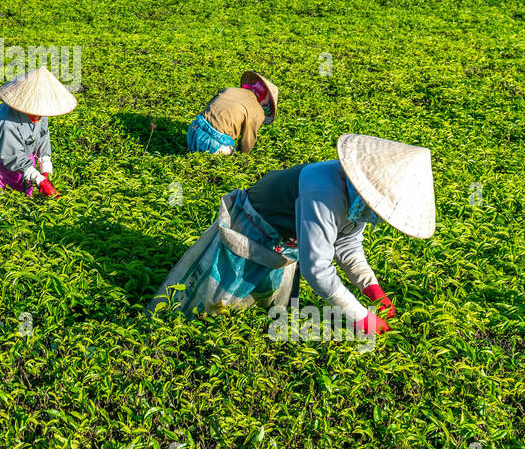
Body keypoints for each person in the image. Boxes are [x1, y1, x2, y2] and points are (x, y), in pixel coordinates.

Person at [152, 134, 434, 335]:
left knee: (261, 303)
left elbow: (347, 245)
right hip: (255, 226)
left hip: (284, 238)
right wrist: (361, 317)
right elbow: (317, 270)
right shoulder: (325, 193)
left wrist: (371, 288)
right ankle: (179, 327)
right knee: (218, 296)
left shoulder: (359, 196)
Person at [0, 66, 76, 198]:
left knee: (22, 195)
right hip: (0, 166)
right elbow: (12, 157)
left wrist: (45, 168)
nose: (39, 116)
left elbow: (42, 136)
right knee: (1, 199)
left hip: (23, 165)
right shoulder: (7, 122)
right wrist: (39, 180)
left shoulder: (41, 110)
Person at [186, 70, 278, 155]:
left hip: (193, 129)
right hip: (213, 144)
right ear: (266, 102)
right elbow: (248, 141)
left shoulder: (230, 89)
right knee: (232, 156)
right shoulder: (257, 111)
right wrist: (243, 156)